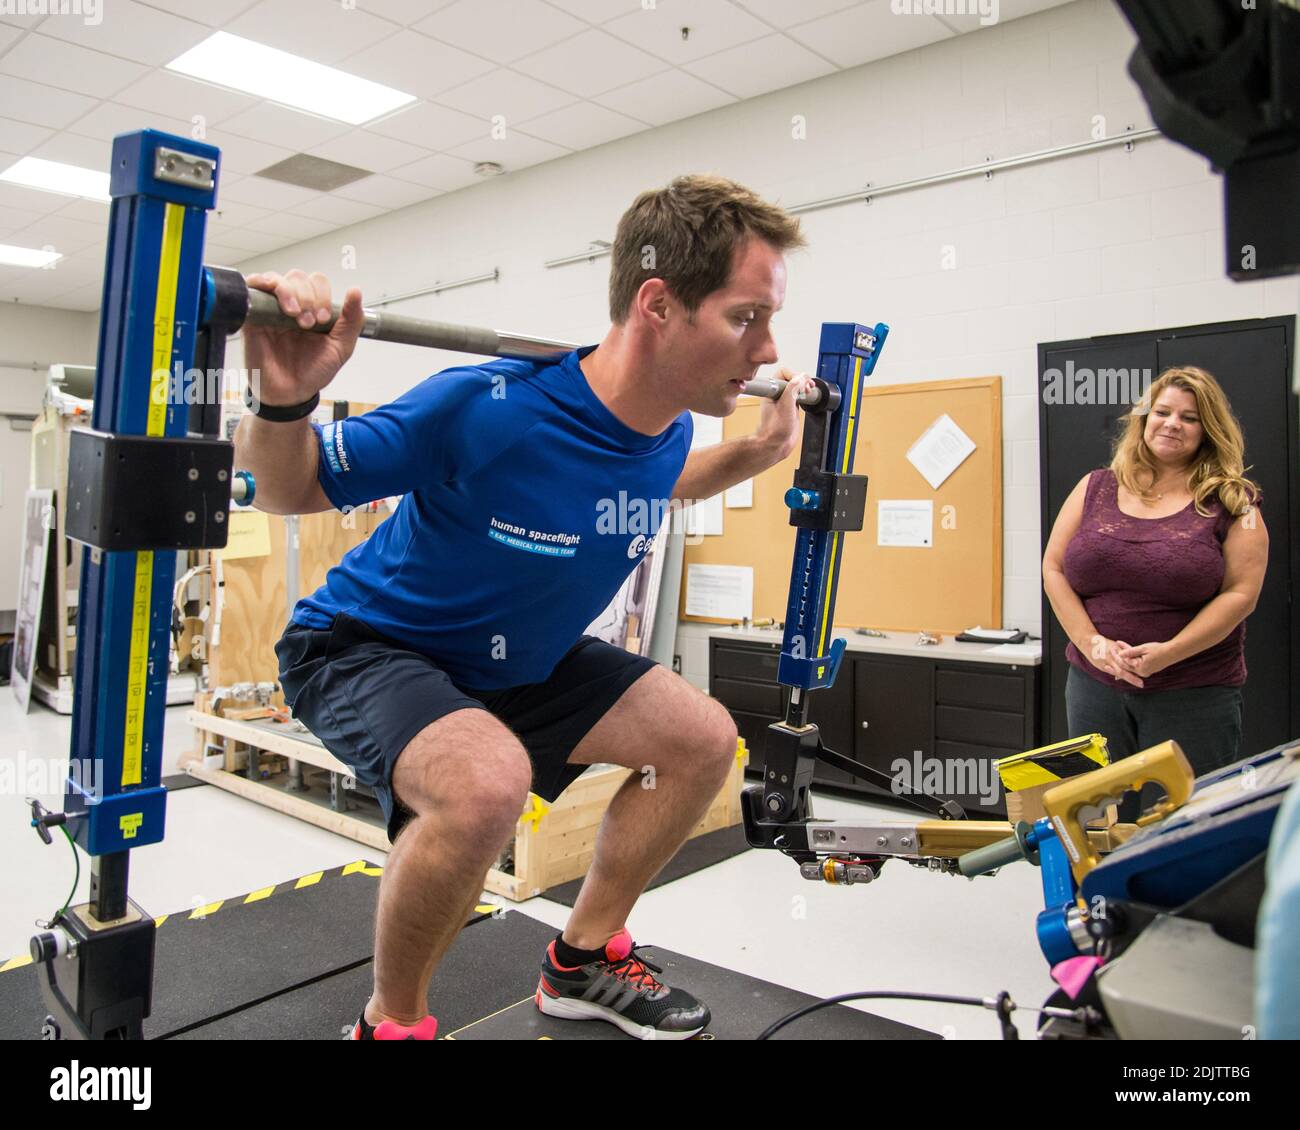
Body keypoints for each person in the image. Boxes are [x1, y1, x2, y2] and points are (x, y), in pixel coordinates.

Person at [233, 175, 814, 1041]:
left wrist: (755, 457)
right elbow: (285, 487)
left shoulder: (666, 427)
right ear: (658, 304)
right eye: (745, 318)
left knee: (700, 741)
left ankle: (580, 962)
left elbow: (649, 486)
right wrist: (283, 399)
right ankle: (390, 1025)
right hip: (367, 645)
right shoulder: (488, 406)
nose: (767, 351)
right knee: (486, 786)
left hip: (517, 659)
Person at [1042, 366, 1269, 813]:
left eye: (1189, 417)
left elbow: (1241, 594)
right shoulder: (1095, 487)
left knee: (1188, 821)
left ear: (1208, 429)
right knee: (1097, 819)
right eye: (1162, 412)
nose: (1172, 424)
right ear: (1144, 420)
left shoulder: (1234, 501)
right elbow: (1054, 568)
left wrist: (1169, 653)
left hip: (1193, 693)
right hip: (1094, 687)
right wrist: (1091, 644)